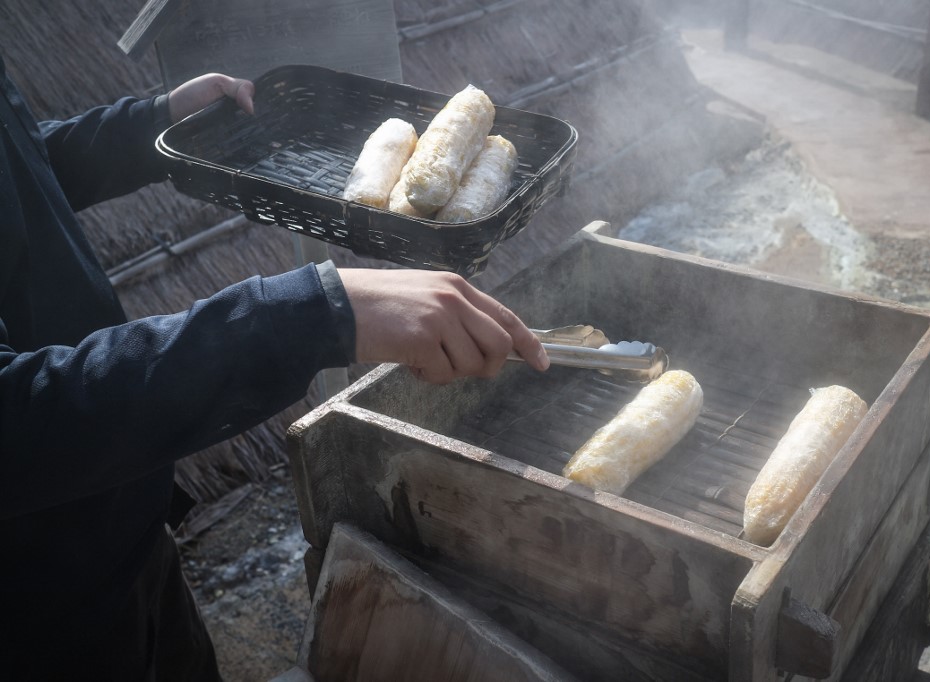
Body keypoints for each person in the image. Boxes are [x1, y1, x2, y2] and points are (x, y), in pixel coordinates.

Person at [0, 57, 549, 681]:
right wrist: (310, 315)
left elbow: (20, 174)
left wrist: (146, 127)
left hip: (117, 514)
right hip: (31, 606)